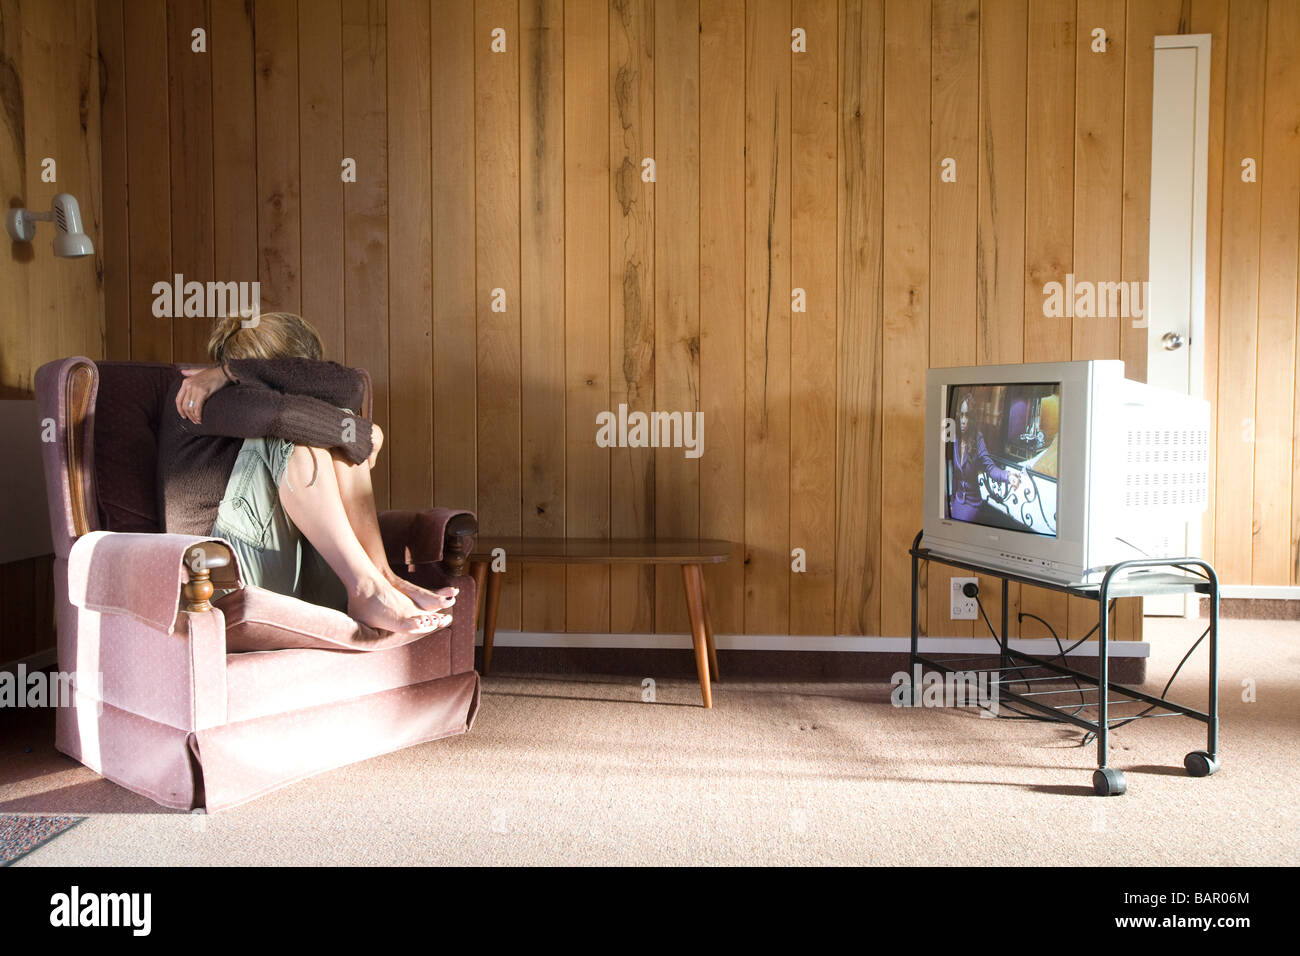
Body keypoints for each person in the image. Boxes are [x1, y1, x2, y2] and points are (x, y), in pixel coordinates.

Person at [158, 312, 454, 637]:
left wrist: (231, 369)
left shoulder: (232, 375)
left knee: (334, 423)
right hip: (225, 581)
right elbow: (280, 415)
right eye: (297, 371)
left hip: (306, 578)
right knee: (306, 433)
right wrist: (363, 433)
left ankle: (382, 577)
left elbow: (352, 387)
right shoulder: (194, 394)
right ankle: (368, 586)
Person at [948, 395, 1024, 530]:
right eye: (962, 415)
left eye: (968, 416)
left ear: (972, 419)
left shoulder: (978, 439)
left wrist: (1008, 476)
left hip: (972, 502)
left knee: (959, 528)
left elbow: (990, 468)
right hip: (956, 499)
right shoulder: (954, 438)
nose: (963, 421)